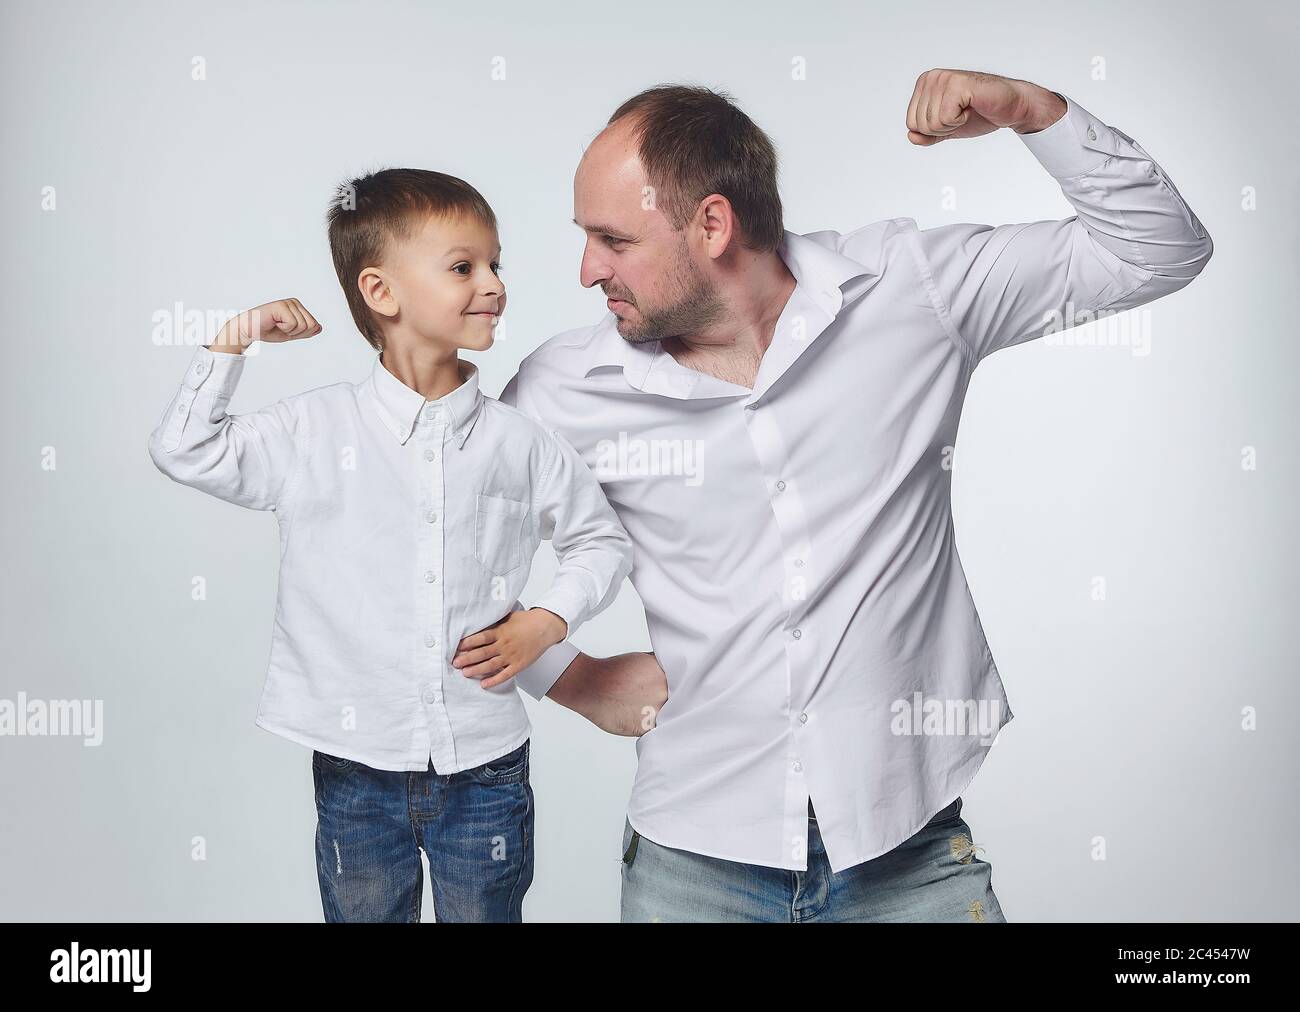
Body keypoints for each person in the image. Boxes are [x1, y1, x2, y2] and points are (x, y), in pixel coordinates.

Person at [454, 69, 1214, 922]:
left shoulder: (912, 290)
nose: (588, 269)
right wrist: (576, 678)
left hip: (912, 852)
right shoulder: (564, 389)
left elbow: (1160, 248)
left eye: (614, 240)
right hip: (692, 866)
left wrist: (1030, 114)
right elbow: (445, 553)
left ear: (712, 223)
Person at [147, 169, 638, 922]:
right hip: (355, 768)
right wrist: (233, 340)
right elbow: (186, 451)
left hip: (486, 764)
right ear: (381, 293)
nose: (494, 284)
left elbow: (601, 542)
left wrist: (547, 621)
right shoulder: (312, 431)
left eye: (496, 263)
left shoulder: (520, 441)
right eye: (463, 266)